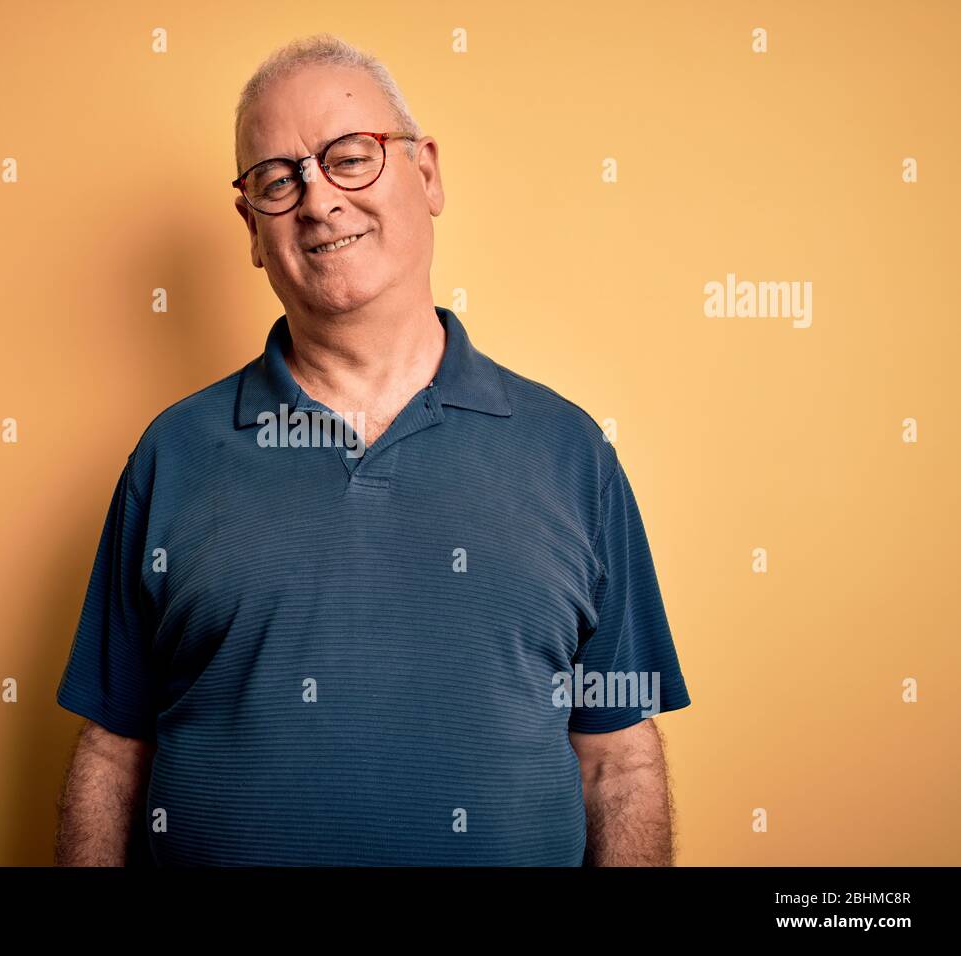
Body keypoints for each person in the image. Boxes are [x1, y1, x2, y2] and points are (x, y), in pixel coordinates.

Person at [54, 33, 691, 866]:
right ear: (251, 226)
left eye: (350, 156)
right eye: (278, 180)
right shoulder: (172, 454)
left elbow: (619, 760)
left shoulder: (571, 451)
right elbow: (112, 755)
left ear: (425, 173)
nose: (318, 201)